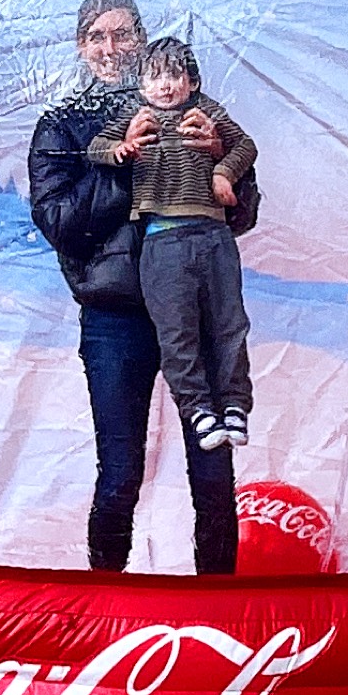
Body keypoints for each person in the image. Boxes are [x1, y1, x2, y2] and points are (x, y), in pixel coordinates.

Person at [27, 0, 239, 574]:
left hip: (196, 308)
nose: (111, 48)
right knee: (120, 472)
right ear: (80, 47)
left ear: (143, 39)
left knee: (214, 469)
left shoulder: (195, 109)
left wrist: (222, 169)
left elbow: (240, 216)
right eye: (97, 36)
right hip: (116, 317)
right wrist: (129, 165)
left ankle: (221, 606)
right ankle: (105, 601)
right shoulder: (61, 125)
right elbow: (61, 225)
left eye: (122, 34)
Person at [88, 37, 260, 451]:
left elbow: (246, 146)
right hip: (162, 239)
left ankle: (234, 404)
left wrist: (222, 171)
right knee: (177, 331)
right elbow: (96, 149)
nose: (165, 86)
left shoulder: (207, 111)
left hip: (213, 235)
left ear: (192, 81)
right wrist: (122, 149)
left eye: (174, 75)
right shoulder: (136, 113)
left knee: (229, 323)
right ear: (141, 85)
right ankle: (198, 407)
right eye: (154, 76)